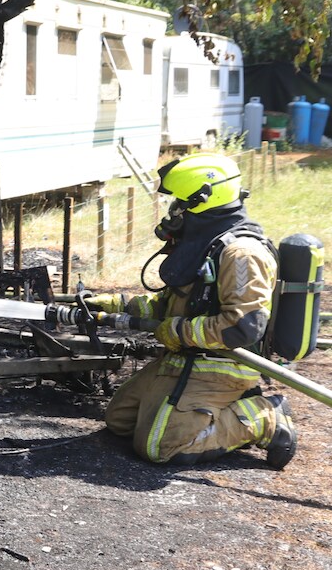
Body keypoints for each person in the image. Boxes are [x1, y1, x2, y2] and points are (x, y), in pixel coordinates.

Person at [89, 151, 297, 469]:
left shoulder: (241, 253)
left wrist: (178, 332)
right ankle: (217, 410)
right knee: (120, 420)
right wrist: (120, 305)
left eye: (179, 203)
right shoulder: (206, 244)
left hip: (221, 368)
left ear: (201, 201)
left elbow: (242, 326)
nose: (173, 211)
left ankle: (264, 416)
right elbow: (173, 305)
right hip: (183, 358)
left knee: (160, 446)